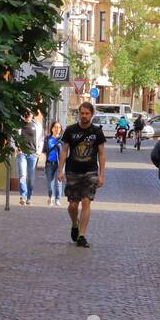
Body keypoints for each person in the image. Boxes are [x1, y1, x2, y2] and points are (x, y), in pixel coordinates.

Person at [58, 101, 106, 247]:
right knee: (73, 205)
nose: (84, 116)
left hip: (90, 171)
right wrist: (60, 170)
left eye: (87, 113)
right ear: (79, 114)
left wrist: (101, 174)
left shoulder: (97, 132)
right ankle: (75, 223)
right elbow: (64, 150)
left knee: (86, 201)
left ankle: (82, 235)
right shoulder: (70, 130)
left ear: (91, 115)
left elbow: (102, 154)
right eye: (82, 113)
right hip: (72, 171)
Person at [15, 109, 42, 205]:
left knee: (31, 178)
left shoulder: (37, 126)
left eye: (29, 114)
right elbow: (13, 137)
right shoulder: (18, 126)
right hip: (22, 153)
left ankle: (29, 196)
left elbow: (41, 139)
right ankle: (23, 196)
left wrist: (38, 151)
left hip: (33, 154)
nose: (28, 116)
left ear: (32, 115)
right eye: (26, 114)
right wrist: (16, 148)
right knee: (22, 175)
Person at [43, 120, 64, 207]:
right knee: (50, 182)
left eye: (59, 127)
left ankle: (58, 199)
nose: (57, 129)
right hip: (50, 163)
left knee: (59, 182)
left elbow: (65, 152)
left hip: (59, 163)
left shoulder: (62, 140)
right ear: (52, 128)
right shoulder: (48, 139)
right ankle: (50, 196)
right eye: (55, 127)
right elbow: (44, 150)